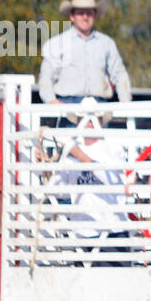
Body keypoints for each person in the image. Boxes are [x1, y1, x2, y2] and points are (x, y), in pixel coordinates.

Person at [53, 98, 132, 257]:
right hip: (82, 233)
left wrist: (81, 157)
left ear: (101, 121)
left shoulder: (112, 148)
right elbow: (58, 192)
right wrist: (48, 166)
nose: (89, 123)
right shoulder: (71, 154)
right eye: (85, 119)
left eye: (93, 119)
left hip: (113, 230)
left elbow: (113, 181)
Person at [38, 0, 132, 106]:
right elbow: (46, 76)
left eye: (89, 13)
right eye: (81, 13)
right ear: (72, 16)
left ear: (95, 15)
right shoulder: (58, 43)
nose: (85, 17)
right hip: (67, 106)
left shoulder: (107, 43)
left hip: (100, 106)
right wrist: (50, 100)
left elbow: (119, 74)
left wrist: (126, 103)